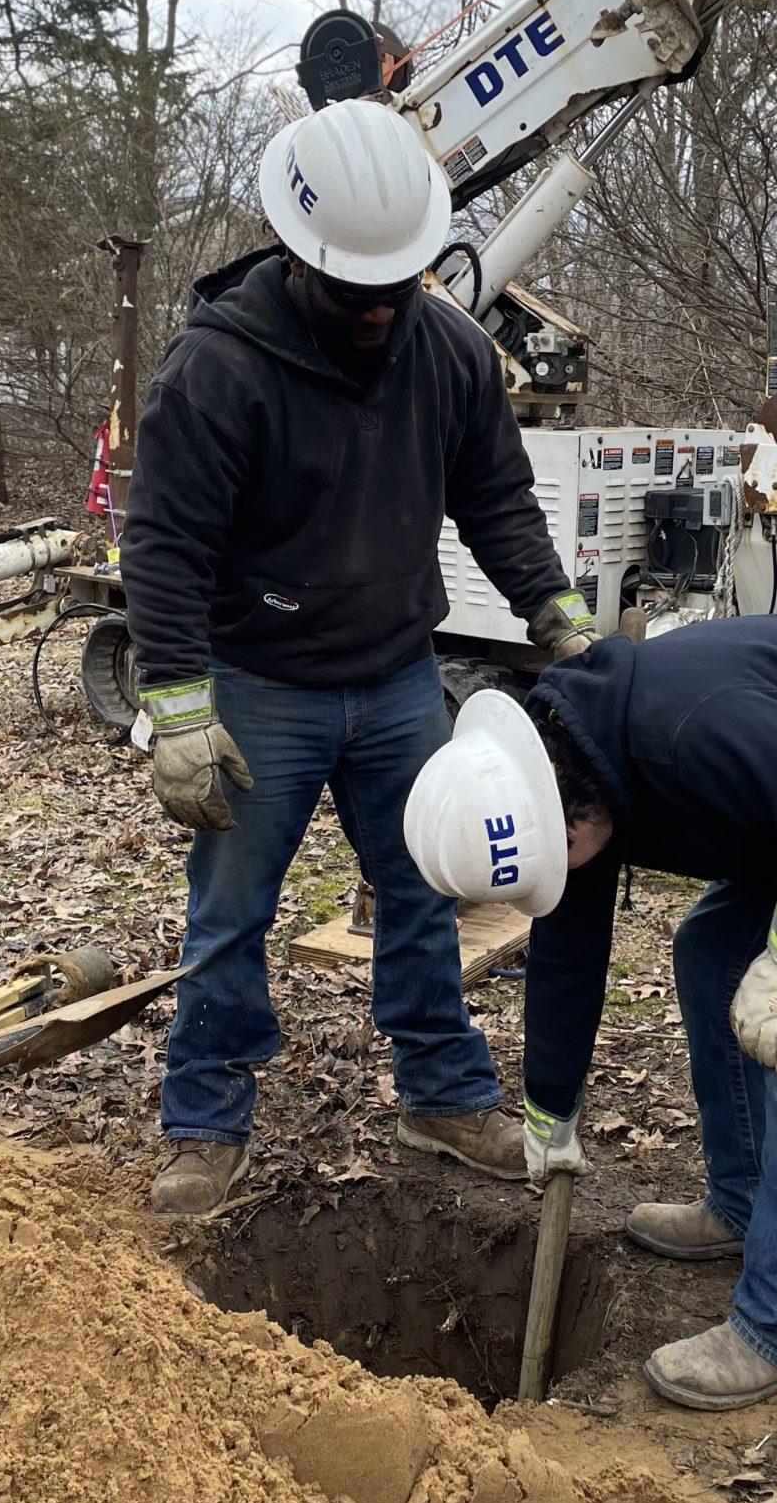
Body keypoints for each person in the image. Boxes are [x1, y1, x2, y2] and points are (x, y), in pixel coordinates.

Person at [121, 97, 598, 1218]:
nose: (382, 310)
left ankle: (440, 1096)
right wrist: (181, 710)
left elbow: (496, 497)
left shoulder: (450, 355)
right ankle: (205, 1118)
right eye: (357, 292)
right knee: (231, 913)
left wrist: (554, 615)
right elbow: (165, 544)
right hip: (260, 684)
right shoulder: (219, 371)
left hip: (393, 677)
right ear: (299, 258)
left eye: (402, 284)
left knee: (424, 889)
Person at [402, 614, 777, 1409]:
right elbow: (568, 949)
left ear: (570, 818)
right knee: (712, 953)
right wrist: (549, 1109)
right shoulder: (567, 764)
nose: (553, 883)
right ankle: (744, 1202)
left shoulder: (686, 736)